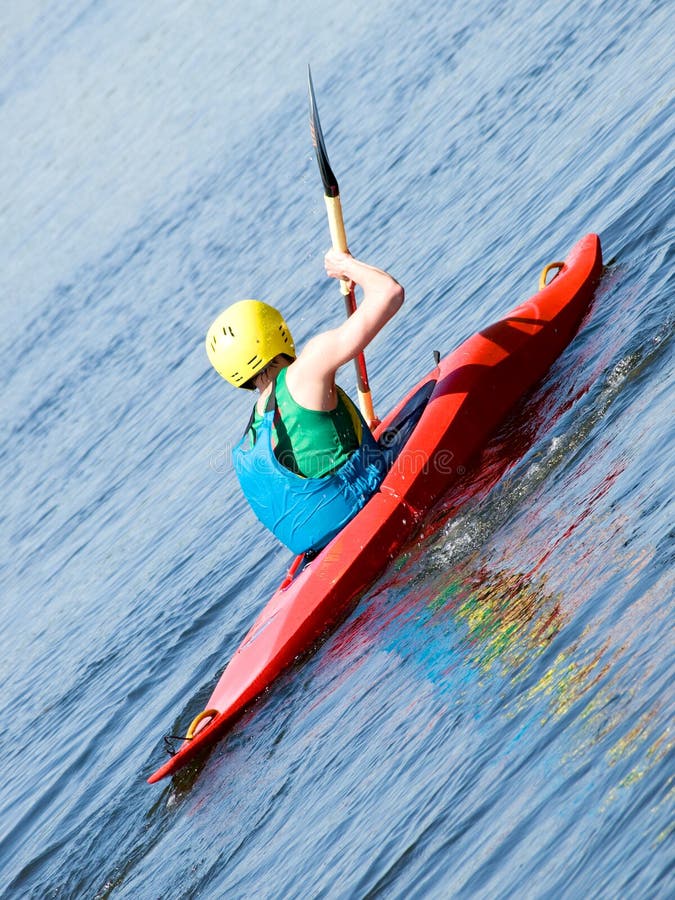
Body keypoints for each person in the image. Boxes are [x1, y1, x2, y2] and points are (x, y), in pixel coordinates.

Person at [205, 248, 404, 555]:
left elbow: (315, 458)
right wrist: (348, 266)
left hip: (323, 552)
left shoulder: (248, 443)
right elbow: (389, 293)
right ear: (275, 331)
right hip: (369, 515)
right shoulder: (309, 368)